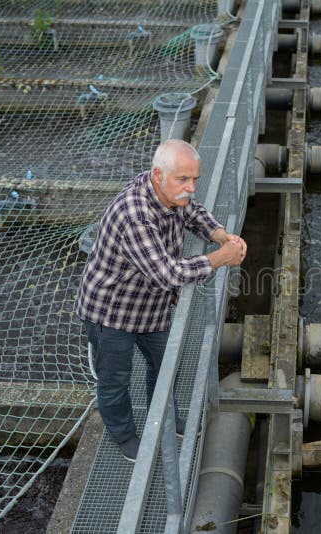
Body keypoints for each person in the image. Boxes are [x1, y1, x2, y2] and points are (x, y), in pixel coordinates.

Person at [75, 139, 246, 462]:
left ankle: (165, 418)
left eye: (195, 179)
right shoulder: (135, 215)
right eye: (184, 179)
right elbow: (166, 274)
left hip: (150, 305)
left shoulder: (168, 191)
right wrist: (220, 257)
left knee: (165, 364)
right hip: (111, 311)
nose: (191, 188)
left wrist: (219, 234)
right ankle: (124, 436)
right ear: (157, 175)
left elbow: (191, 212)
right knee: (115, 379)